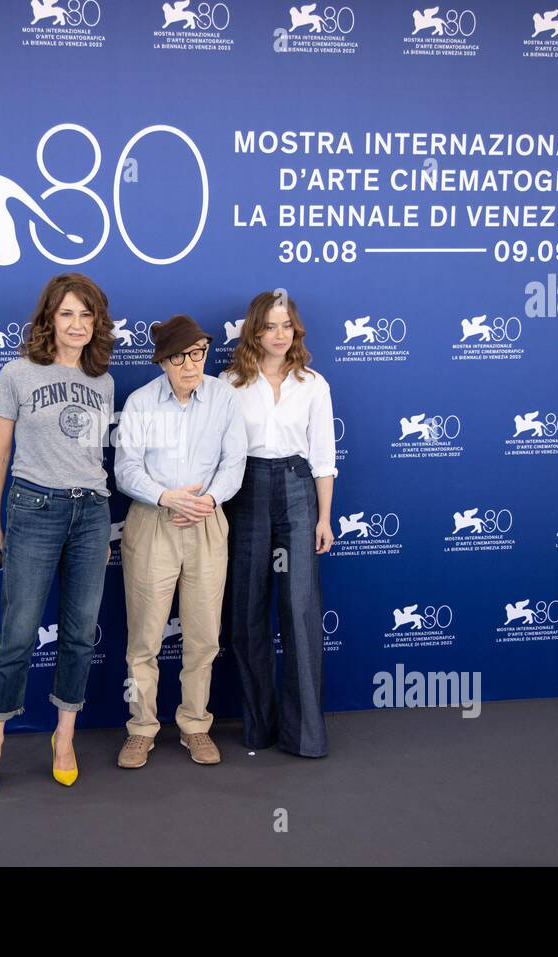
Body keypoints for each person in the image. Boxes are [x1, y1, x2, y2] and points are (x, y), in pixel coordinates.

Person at [0, 273, 116, 794]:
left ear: (96, 322)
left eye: (86, 314)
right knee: (18, 632)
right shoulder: (16, 372)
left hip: (92, 512)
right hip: (32, 508)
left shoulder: (103, 380)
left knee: (79, 633)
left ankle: (64, 736)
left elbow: (92, 454)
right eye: (67, 314)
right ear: (49, 320)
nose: (77, 324)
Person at [113, 315, 248, 768]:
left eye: (198, 353)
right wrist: (167, 497)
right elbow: (126, 468)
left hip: (207, 522)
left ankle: (195, 725)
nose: (191, 364)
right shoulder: (139, 403)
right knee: (145, 638)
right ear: (163, 361)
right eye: (179, 357)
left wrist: (207, 499)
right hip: (153, 521)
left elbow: (234, 461)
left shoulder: (225, 398)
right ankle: (141, 729)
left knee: (204, 636)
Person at [221, 290, 337, 758]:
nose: (279, 334)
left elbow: (324, 456)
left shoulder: (313, 383)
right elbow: (222, 453)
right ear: (254, 330)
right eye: (270, 325)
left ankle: (305, 735)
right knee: (246, 616)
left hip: (296, 490)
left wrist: (324, 517)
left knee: (300, 612)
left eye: (286, 325)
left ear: (296, 330)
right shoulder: (228, 383)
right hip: (245, 491)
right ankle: (259, 728)